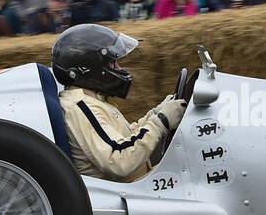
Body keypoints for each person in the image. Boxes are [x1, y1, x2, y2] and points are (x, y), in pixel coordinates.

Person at [52, 24, 187, 182]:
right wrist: (161, 122)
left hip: (137, 187)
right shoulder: (80, 107)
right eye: (112, 63)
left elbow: (126, 137)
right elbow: (118, 159)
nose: (119, 68)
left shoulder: (92, 100)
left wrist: (156, 113)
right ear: (90, 67)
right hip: (127, 194)